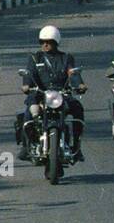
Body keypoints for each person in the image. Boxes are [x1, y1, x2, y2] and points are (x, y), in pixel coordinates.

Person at [17, 25, 86, 159]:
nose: (45, 45)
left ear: (56, 42)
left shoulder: (66, 58)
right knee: (28, 114)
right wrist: (26, 85)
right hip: (40, 94)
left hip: (61, 94)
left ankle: (76, 146)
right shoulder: (35, 58)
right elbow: (29, 73)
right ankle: (26, 146)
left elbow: (72, 74)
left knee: (78, 109)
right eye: (43, 42)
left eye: (49, 42)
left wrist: (80, 84)